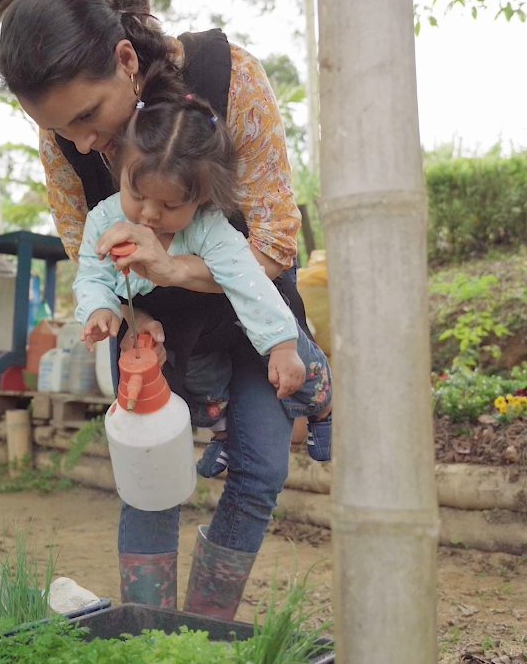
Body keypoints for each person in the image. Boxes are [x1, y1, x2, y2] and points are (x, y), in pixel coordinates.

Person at [0, 0, 328, 621]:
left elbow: (278, 244)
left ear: (125, 59)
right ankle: (150, 635)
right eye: (65, 129)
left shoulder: (230, 80)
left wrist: (175, 269)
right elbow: (84, 249)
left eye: (90, 116)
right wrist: (130, 315)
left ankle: (203, 629)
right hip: (156, 330)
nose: (86, 142)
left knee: (259, 473)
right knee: (149, 485)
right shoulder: (65, 136)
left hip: (251, 315)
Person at [72, 62, 332, 481]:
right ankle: (224, 433)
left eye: (171, 206)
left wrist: (282, 346)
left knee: (300, 366)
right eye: (137, 195)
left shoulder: (210, 229)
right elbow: (91, 274)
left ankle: (323, 409)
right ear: (118, 167)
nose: (151, 215)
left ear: (200, 199)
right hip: (184, 328)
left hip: (240, 318)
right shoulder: (104, 221)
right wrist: (101, 308)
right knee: (202, 380)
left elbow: (248, 283)